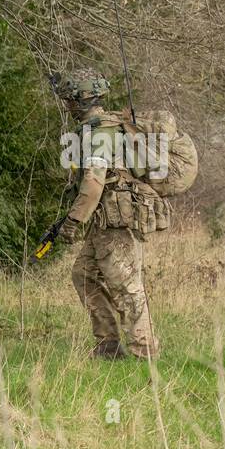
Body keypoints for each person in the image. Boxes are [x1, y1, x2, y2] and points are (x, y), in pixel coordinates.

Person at [49, 69, 159, 359]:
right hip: (103, 221)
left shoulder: (99, 133)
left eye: (70, 99)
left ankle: (144, 352)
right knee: (84, 275)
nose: (67, 105)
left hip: (113, 220)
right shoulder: (95, 128)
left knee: (126, 286)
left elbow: (94, 183)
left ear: (80, 99)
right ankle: (109, 346)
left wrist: (73, 221)